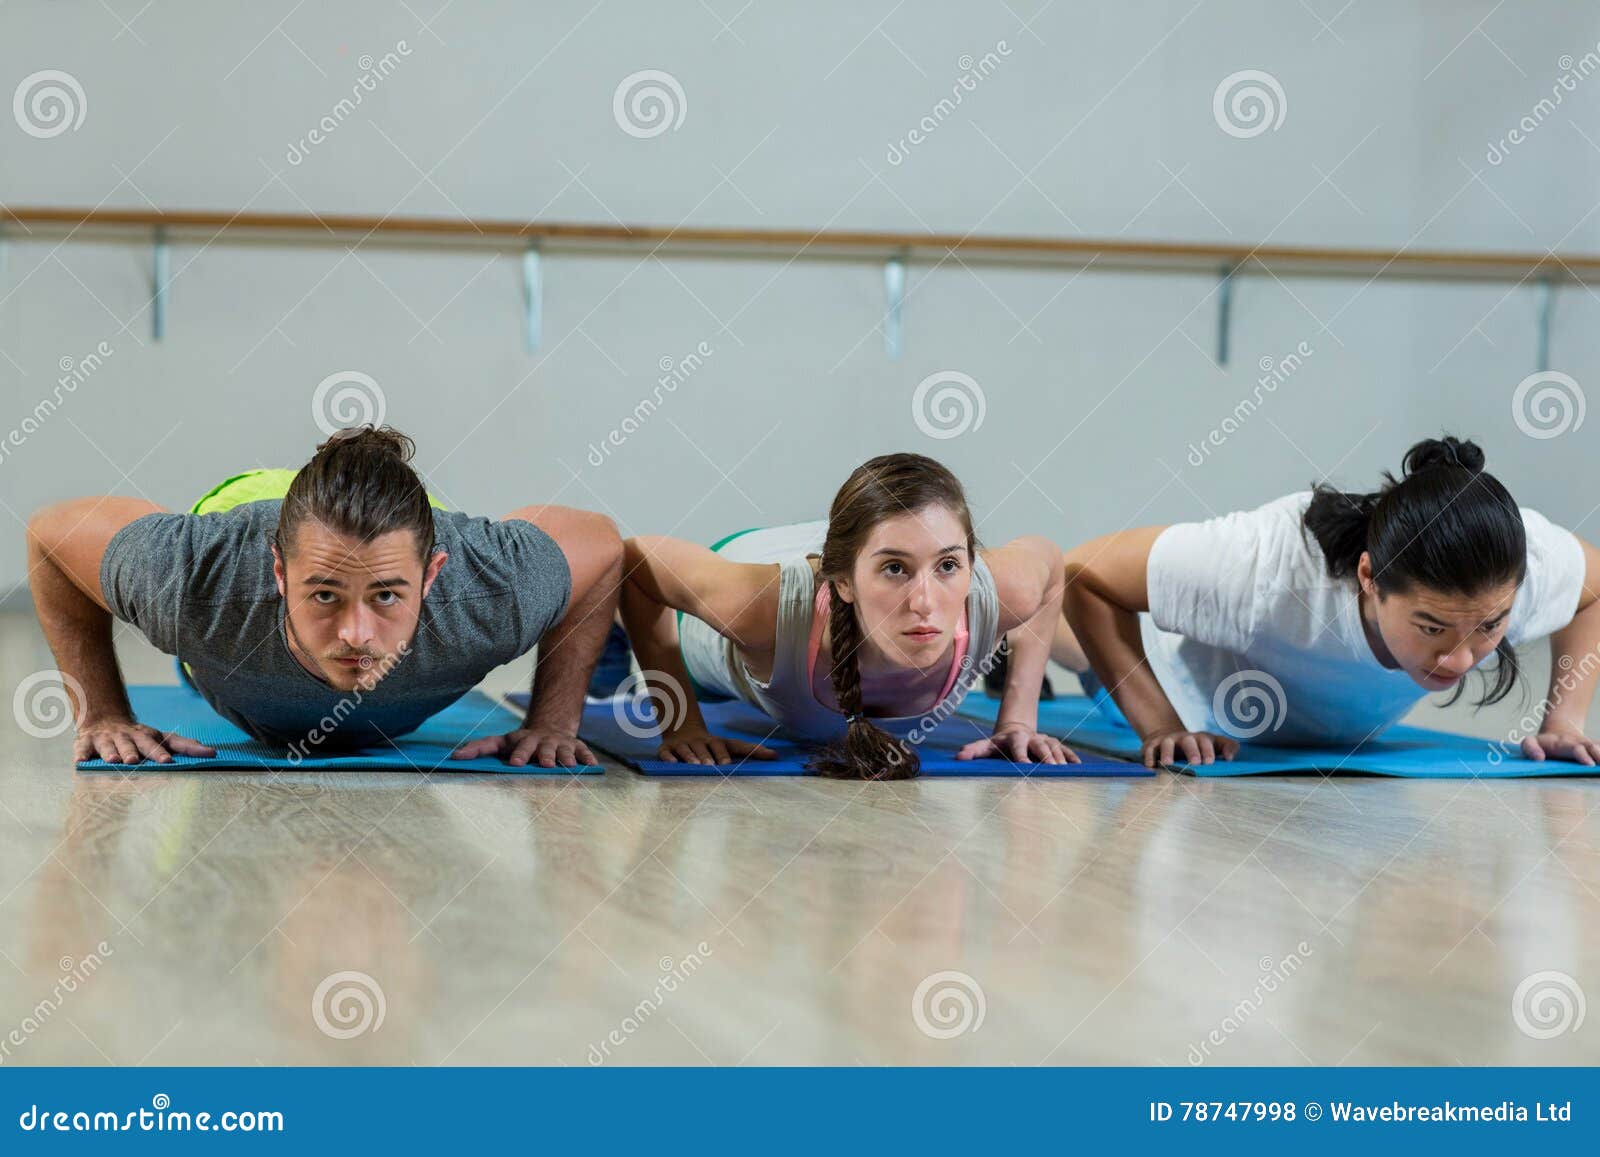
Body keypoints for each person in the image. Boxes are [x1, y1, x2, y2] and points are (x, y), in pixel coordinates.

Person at [26, 425, 621, 768]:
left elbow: (602, 545)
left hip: (405, 526)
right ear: (280, 575)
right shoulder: (192, 582)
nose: (356, 634)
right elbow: (52, 536)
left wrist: (554, 722)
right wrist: (102, 714)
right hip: (250, 507)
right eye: (324, 596)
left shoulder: (494, 589)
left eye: (386, 597)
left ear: (434, 576)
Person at [1053, 436, 1600, 769]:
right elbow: (1083, 575)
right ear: (1369, 577)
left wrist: (1564, 722)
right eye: (1432, 628)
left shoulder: (1512, 562)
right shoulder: (1267, 565)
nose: (1460, 659)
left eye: (1487, 627)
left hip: (1322, 721)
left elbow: (1593, 589)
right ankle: (1013, 640)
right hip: (1171, 677)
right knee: (1061, 634)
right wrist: (1159, 726)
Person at [620, 452, 1079, 778]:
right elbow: (637, 563)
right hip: (753, 572)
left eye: (947, 566)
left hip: (853, 549)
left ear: (969, 564)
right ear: (842, 584)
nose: (924, 602)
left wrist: (1018, 720)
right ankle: (610, 635)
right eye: (896, 570)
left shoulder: (997, 591)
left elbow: (1052, 563)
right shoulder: (764, 608)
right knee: (628, 621)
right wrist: (680, 720)